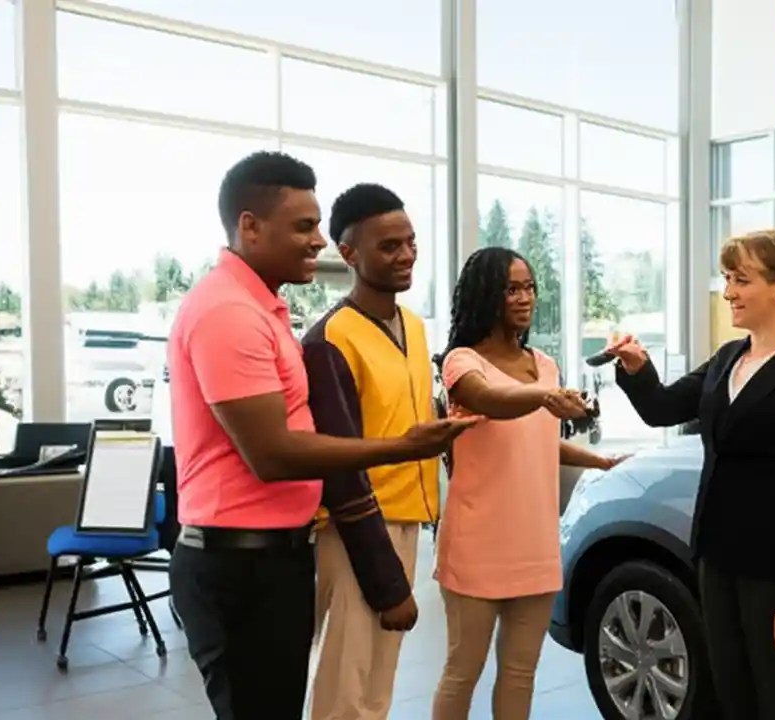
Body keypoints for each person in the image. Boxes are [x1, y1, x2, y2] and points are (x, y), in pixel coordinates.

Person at [167, 151, 477, 720]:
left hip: (279, 552)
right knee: (334, 696)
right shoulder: (229, 312)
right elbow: (273, 453)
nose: (318, 242)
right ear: (250, 226)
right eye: (304, 227)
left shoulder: (265, 310)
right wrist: (403, 448)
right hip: (241, 562)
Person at [604, 229, 775, 720]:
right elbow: (663, 407)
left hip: (774, 572)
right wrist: (637, 369)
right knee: (734, 697)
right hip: (717, 560)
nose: (730, 292)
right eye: (727, 279)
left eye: (741, 280)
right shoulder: (728, 359)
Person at [431, 246, 625, 720]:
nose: (525, 298)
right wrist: (544, 395)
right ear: (485, 294)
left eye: (530, 287)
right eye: (511, 288)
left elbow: (536, 440)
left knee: (520, 672)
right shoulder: (462, 362)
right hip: (477, 543)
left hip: (535, 542)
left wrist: (600, 461)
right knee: (463, 670)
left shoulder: (546, 365)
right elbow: (494, 402)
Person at [301, 183, 440, 720]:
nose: (405, 255)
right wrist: (387, 582)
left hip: (406, 523)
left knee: (377, 688)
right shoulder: (330, 340)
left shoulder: (415, 328)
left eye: (410, 242)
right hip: (354, 532)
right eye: (389, 246)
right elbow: (342, 469)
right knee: (345, 691)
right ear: (349, 253)